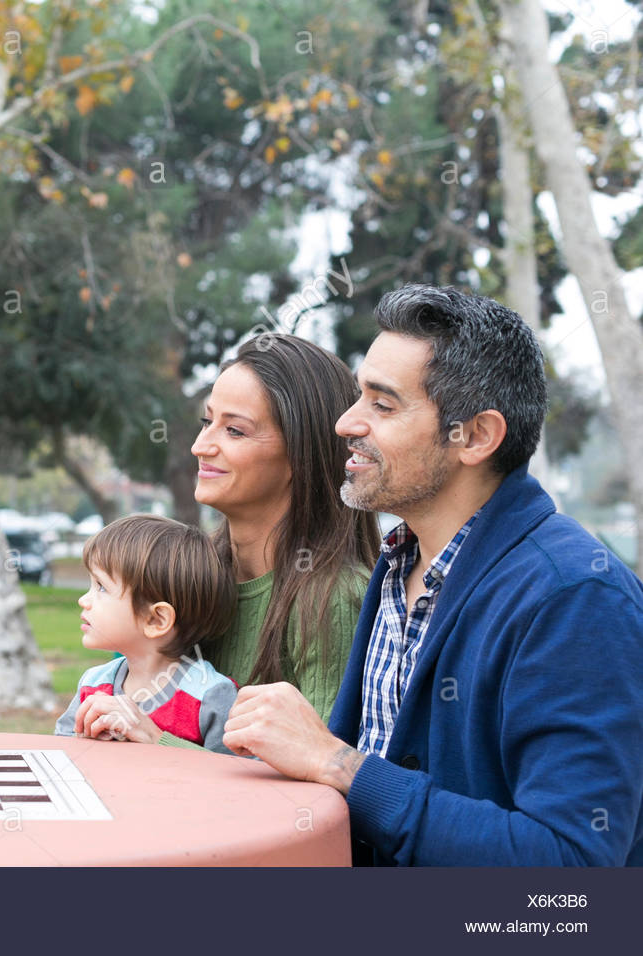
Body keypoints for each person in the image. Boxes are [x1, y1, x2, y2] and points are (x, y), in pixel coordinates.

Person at [222, 284, 643, 866]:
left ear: (475, 436)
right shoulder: (399, 565)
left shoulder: (574, 597)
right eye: (356, 397)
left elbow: (571, 869)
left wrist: (336, 762)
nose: (347, 423)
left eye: (382, 404)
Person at [152, 335, 380, 752]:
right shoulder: (190, 574)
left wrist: (155, 744)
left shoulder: (333, 598)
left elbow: (319, 786)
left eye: (234, 430)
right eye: (208, 422)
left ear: (300, 455)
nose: (201, 446)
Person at [55, 515, 239, 750]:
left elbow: (235, 775)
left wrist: (158, 740)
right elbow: (61, 751)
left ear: (155, 620)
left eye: (101, 587)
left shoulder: (209, 696)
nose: (83, 600)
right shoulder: (93, 684)